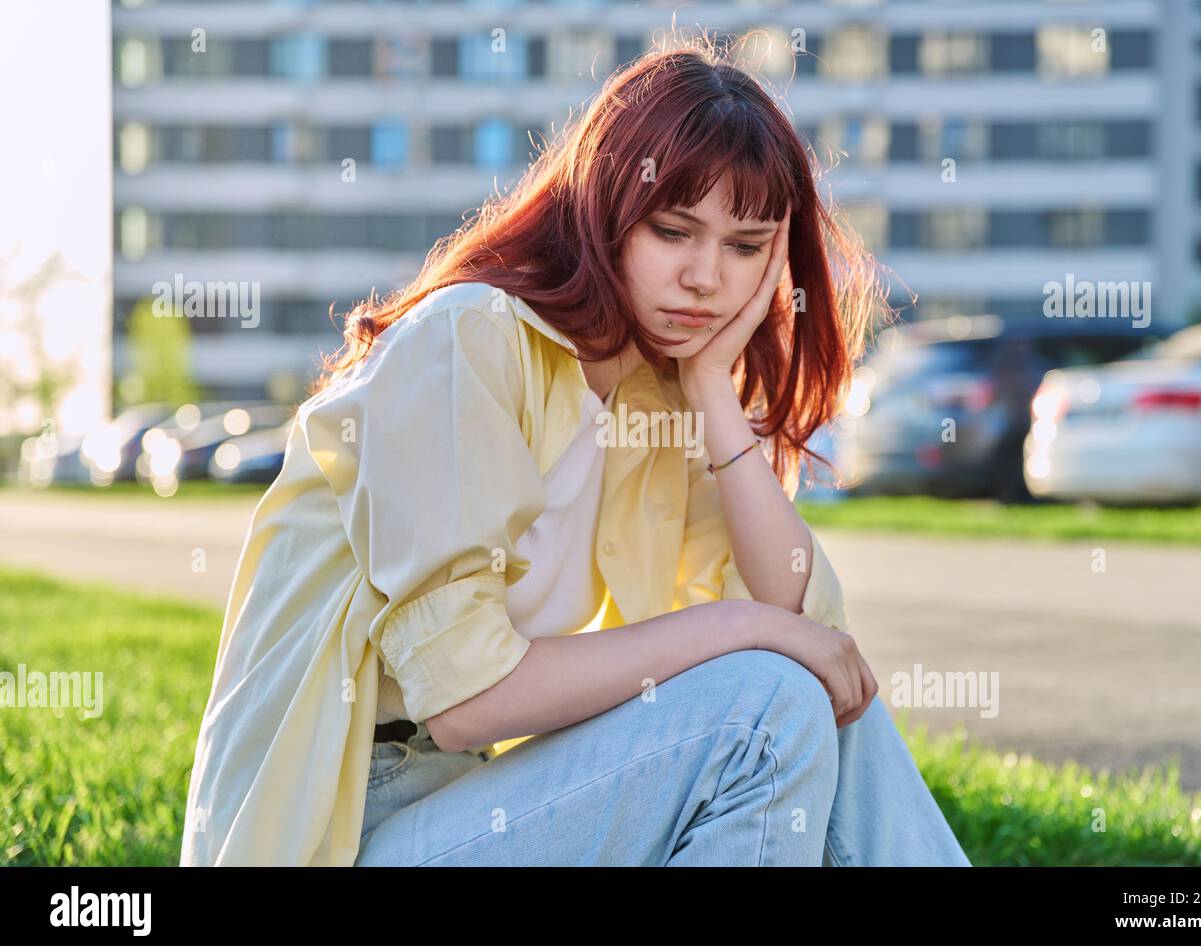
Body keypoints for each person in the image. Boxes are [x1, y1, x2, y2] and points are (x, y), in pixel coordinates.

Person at [179, 35, 971, 867]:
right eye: (675, 230)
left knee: (809, 695)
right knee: (763, 703)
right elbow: (468, 697)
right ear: (602, 209)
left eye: (745, 247)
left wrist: (709, 385)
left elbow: (812, 631)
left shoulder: (656, 400)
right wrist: (740, 628)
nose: (707, 276)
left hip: (479, 802)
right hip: (347, 829)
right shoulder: (468, 340)